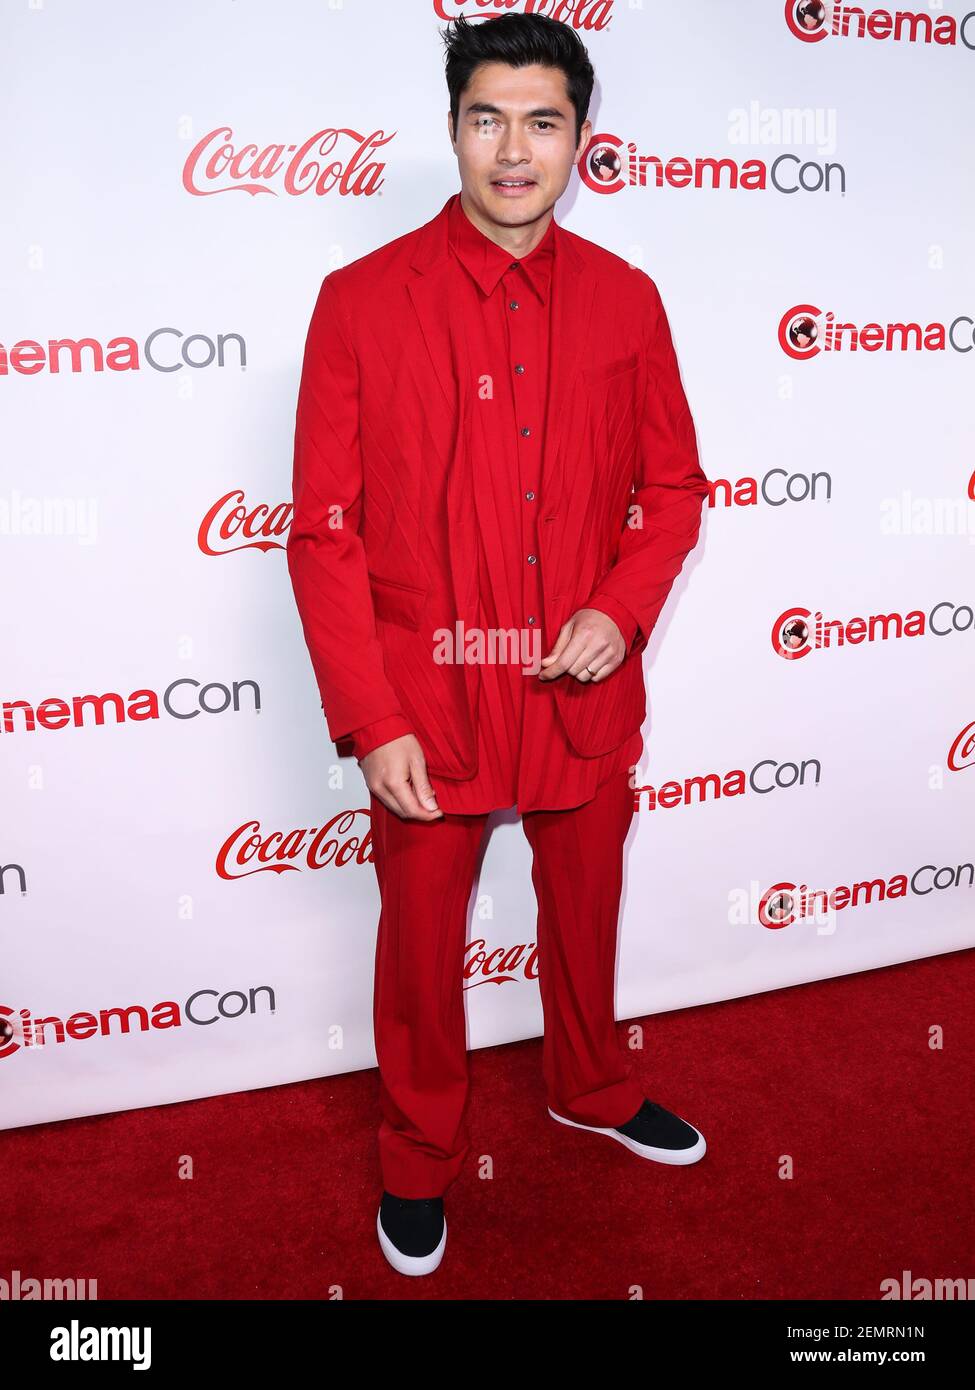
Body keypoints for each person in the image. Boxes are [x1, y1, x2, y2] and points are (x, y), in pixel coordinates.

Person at [287, 12, 710, 1278]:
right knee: (421, 949)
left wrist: (620, 608)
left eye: (542, 120)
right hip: (427, 701)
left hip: (584, 690)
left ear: (582, 137)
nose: (513, 150)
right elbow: (323, 533)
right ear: (453, 127)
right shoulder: (359, 302)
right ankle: (416, 1155)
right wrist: (374, 716)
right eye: (488, 118)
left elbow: (677, 490)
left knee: (586, 910)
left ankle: (591, 1080)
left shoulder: (628, 301)